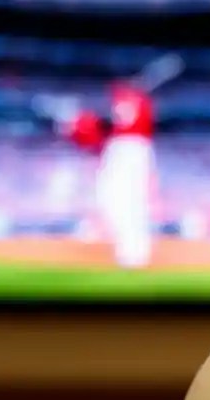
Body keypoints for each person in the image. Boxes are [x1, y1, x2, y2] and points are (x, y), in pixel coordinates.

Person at [64, 82, 158, 268]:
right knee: (113, 200)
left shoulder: (134, 105)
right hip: (125, 148)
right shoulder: (126, 108)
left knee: (130, 203)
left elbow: (97, 130)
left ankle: (134, 253)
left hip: (131, 148)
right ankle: (131, 251)